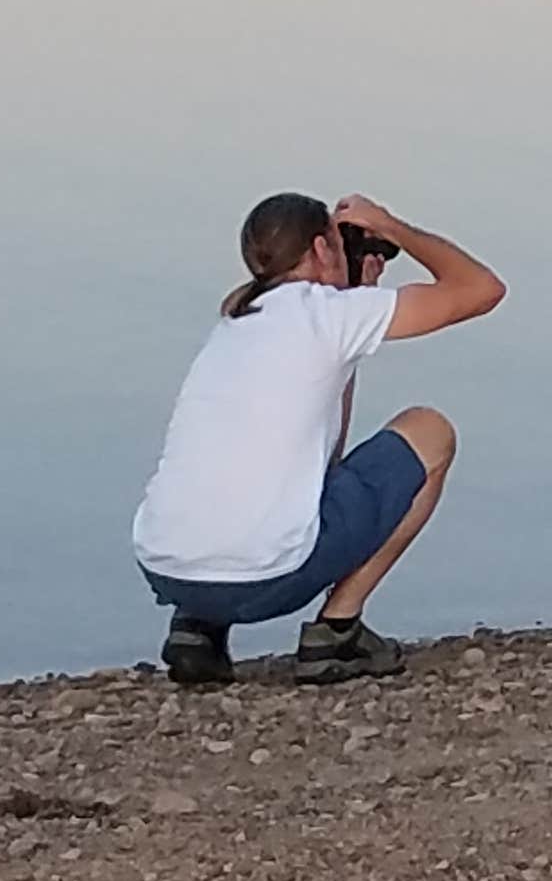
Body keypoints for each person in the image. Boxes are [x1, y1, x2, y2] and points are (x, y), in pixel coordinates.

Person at [133, 188, 504, 690]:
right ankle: (337, 630)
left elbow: (321, 449)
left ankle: (198, 629)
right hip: (265, 578)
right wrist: (392, 227)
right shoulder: (327, 317)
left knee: (245, 468)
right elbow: (480, 289)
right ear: (322, 250)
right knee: (429, 432)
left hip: (167, 568)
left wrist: (354, 301)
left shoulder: (235, 320)